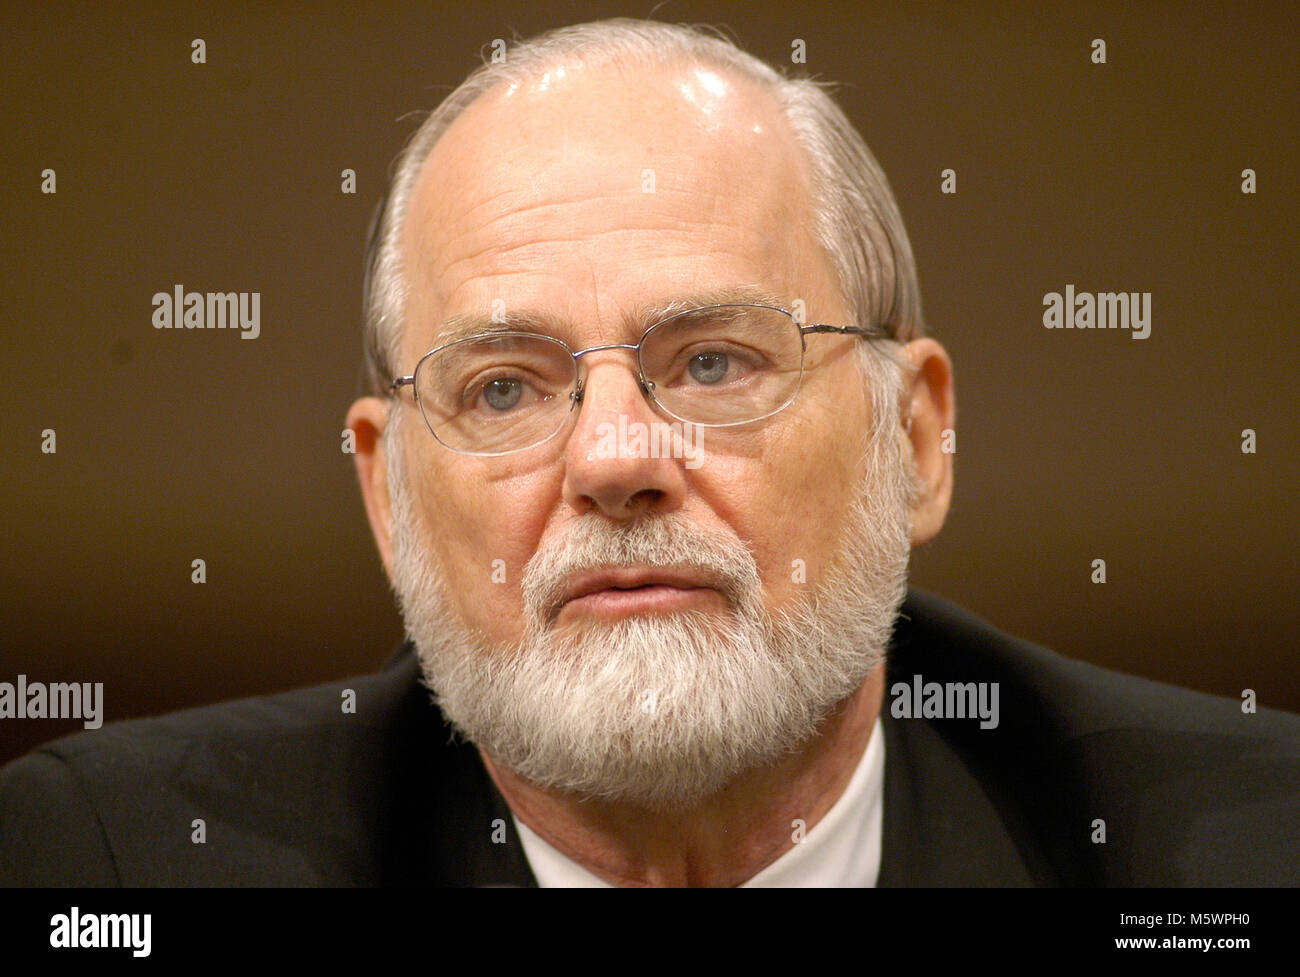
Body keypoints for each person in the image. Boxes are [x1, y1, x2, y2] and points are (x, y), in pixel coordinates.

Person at [2, 18, 1296, 888]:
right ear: (389, 501)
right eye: (505, 387)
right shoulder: (117, 863)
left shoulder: (1237, 850)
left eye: (714, 362)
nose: (616, 455)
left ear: (915, 435)